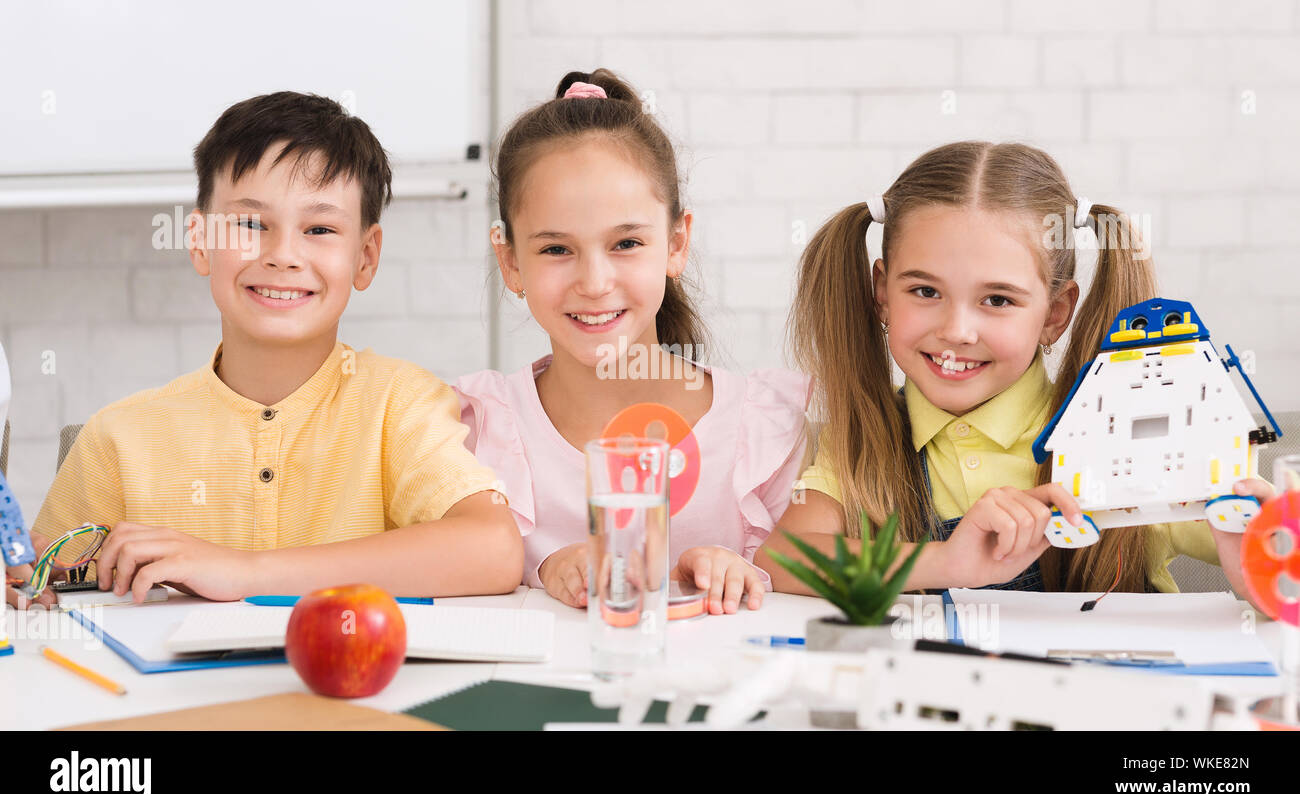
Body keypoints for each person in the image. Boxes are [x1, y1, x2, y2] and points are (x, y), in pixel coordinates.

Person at [6, 91, 521, 611]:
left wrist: (241, 572)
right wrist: (19, 590)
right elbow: (37, 588)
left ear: (366, 257)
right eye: (251, 225)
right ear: (201, 240)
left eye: (319, 229)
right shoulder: (117, 440)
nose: (283, 256)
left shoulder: (401, 405)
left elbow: (494, 550)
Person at [761, 140, 1274, 597]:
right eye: (925, 291)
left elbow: (1275, 571)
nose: (958, 330)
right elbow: (783, 559)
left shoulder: (1137, 430)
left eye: (998, 300)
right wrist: (945, 562)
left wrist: (1252, 552)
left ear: (1054, 314)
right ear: (881, 295)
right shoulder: (865, 438)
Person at [455, 69, 811, 615]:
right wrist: (546, 568)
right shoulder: (478, 432)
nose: (595, 283)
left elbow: (802, 596)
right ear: (510, 261)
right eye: (556, 249)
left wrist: (744, 573)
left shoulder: (763, 431)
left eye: (625, 243)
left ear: (676, 244)